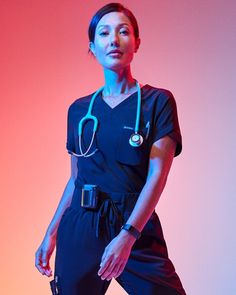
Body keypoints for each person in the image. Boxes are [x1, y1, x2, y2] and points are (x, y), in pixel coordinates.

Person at [35, 2, 186, 295]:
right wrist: (50, 233)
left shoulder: (157, 103)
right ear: (93, 47)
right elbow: (75, 180)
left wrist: (128, 236)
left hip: (132, 222)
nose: (113, 40)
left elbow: (157, 177)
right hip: (81, 222)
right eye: (104, 33)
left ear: (136, 43)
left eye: (123, 31)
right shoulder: (79, 110)